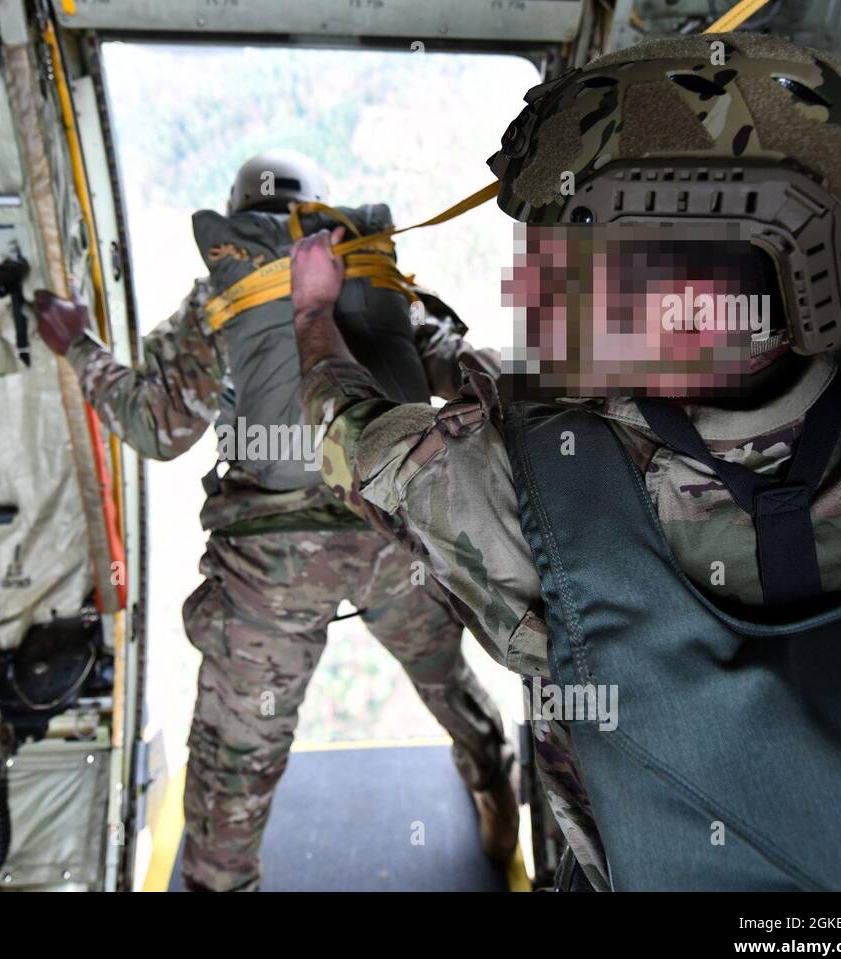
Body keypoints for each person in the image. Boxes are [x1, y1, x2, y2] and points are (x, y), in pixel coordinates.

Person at [290, 33, 841, 890]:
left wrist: (312, 313)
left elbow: (348, 437)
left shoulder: (525, 493)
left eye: (577, 262)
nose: (537, 294)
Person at [34, 149, 516, 892]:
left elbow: (159, 428)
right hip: (392, 528)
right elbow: (448, 372)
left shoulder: (218, 302)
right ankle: (495, 797)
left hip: (271, 564)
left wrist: (80, 347)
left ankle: (222, 880)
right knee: (446, 680)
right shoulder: (371, 280)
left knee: (237, 756)